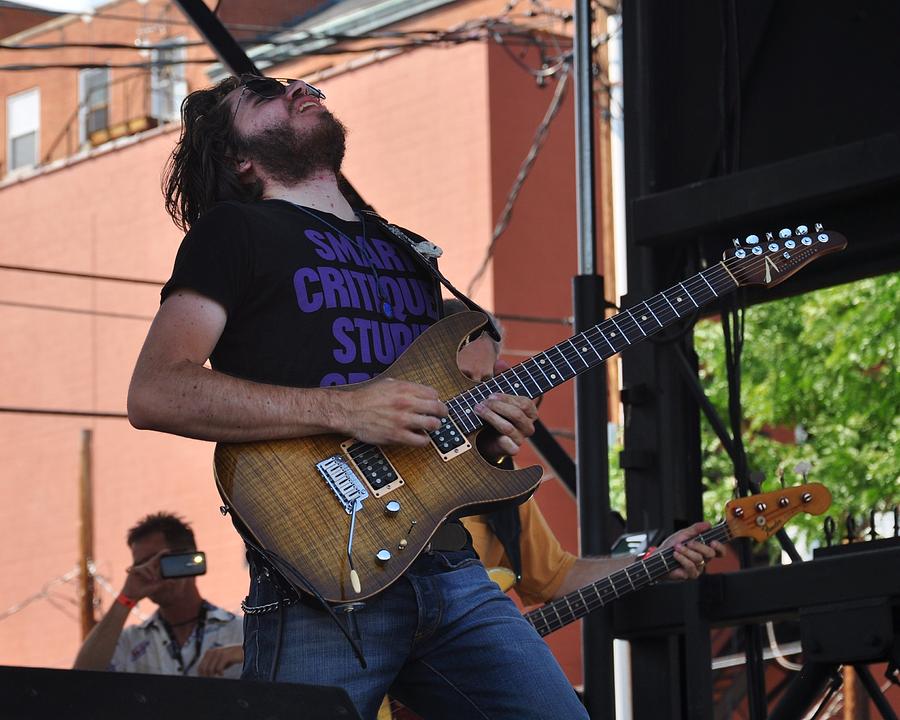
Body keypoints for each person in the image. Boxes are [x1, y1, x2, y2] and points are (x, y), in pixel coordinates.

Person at [124, 73, 712, 719]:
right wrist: (344, 408)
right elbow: (157, 391)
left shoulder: (406, 252)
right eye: (265, 93)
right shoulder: (234, 232)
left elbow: (424, 422)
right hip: (321, 584)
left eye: (297, 81)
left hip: (451, 569)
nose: (298, 86)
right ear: (240, 156)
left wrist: (484, 431)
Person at [445, 298, 725, 607]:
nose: (473, 396)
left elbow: (556, 576)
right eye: (461, 378)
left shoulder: (501, 483)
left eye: (484, 381)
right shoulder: (385, 450)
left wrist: (654, 560)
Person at [73, 512, 243, 678]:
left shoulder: (241, 632)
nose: (149, 572)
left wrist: (244, 652)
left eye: (158, 561)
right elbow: (80, 679)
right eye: (140, 565)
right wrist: (126, 598)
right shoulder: (131, 642)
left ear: (187, 561)